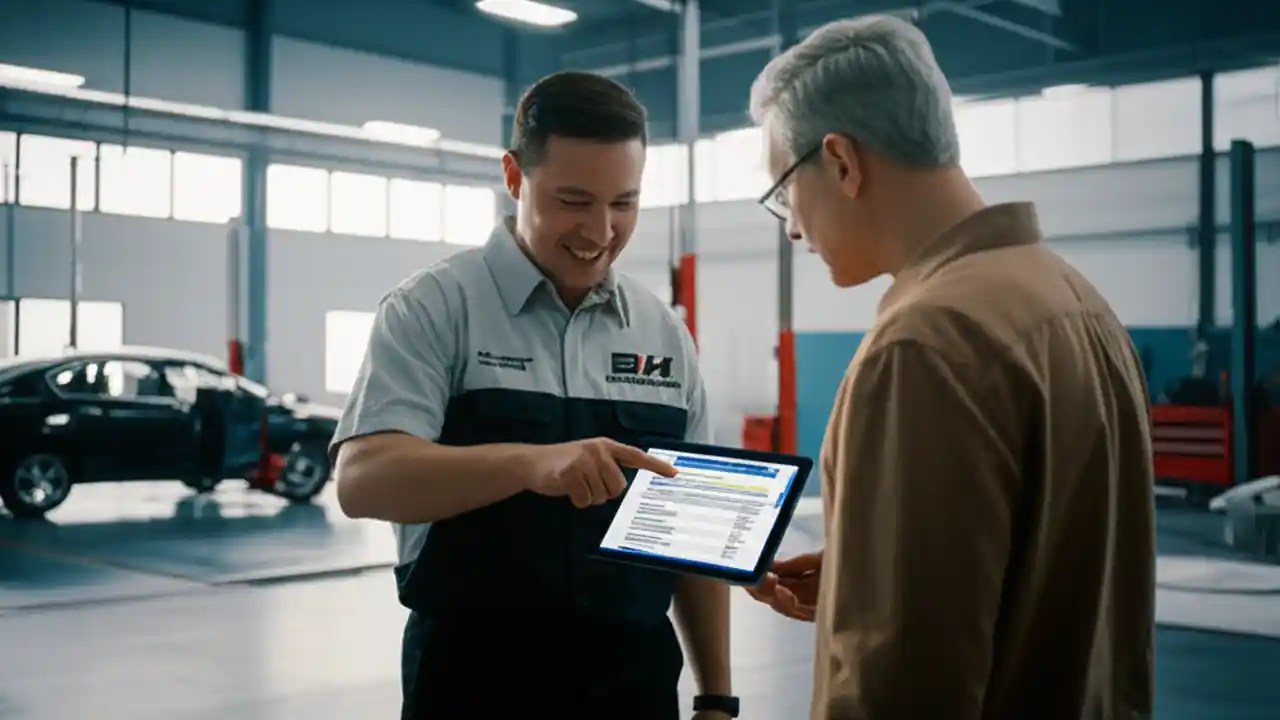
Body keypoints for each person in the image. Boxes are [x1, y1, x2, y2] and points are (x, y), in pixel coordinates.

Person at [743, 15, 1155, 720]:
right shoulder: (1075, 300)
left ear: (841, 161)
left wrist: (880, 620)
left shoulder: (922, 346)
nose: (792, 226)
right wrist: (860, 582)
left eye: (785, 191)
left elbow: (901, 691)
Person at [329, 71, 737, 720]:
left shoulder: (664, 332)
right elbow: (363, 481)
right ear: (514, 177)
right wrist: (530, 463)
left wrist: (717, 697)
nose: (600, 231)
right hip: (473, 684)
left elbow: (692, 529)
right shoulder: (435, 309)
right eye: (574, 200)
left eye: (623, 203)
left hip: (633, 686)